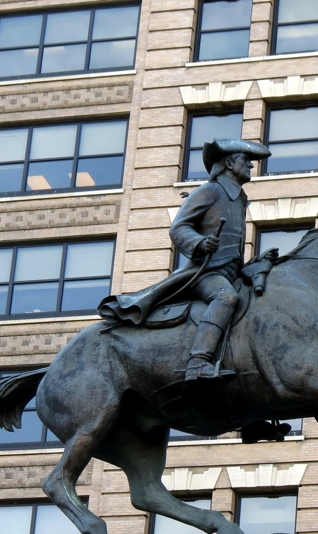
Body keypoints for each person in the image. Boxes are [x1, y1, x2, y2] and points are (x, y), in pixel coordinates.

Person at [96, 139, 270, 382]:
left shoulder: (239, 198)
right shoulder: (210, 191)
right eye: (245, 160)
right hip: (206, 273)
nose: (251, 166)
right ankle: (197, 363)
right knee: (226, 297)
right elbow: (179, 228)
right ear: (229, 163)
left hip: (230, 272)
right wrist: (200, 243)